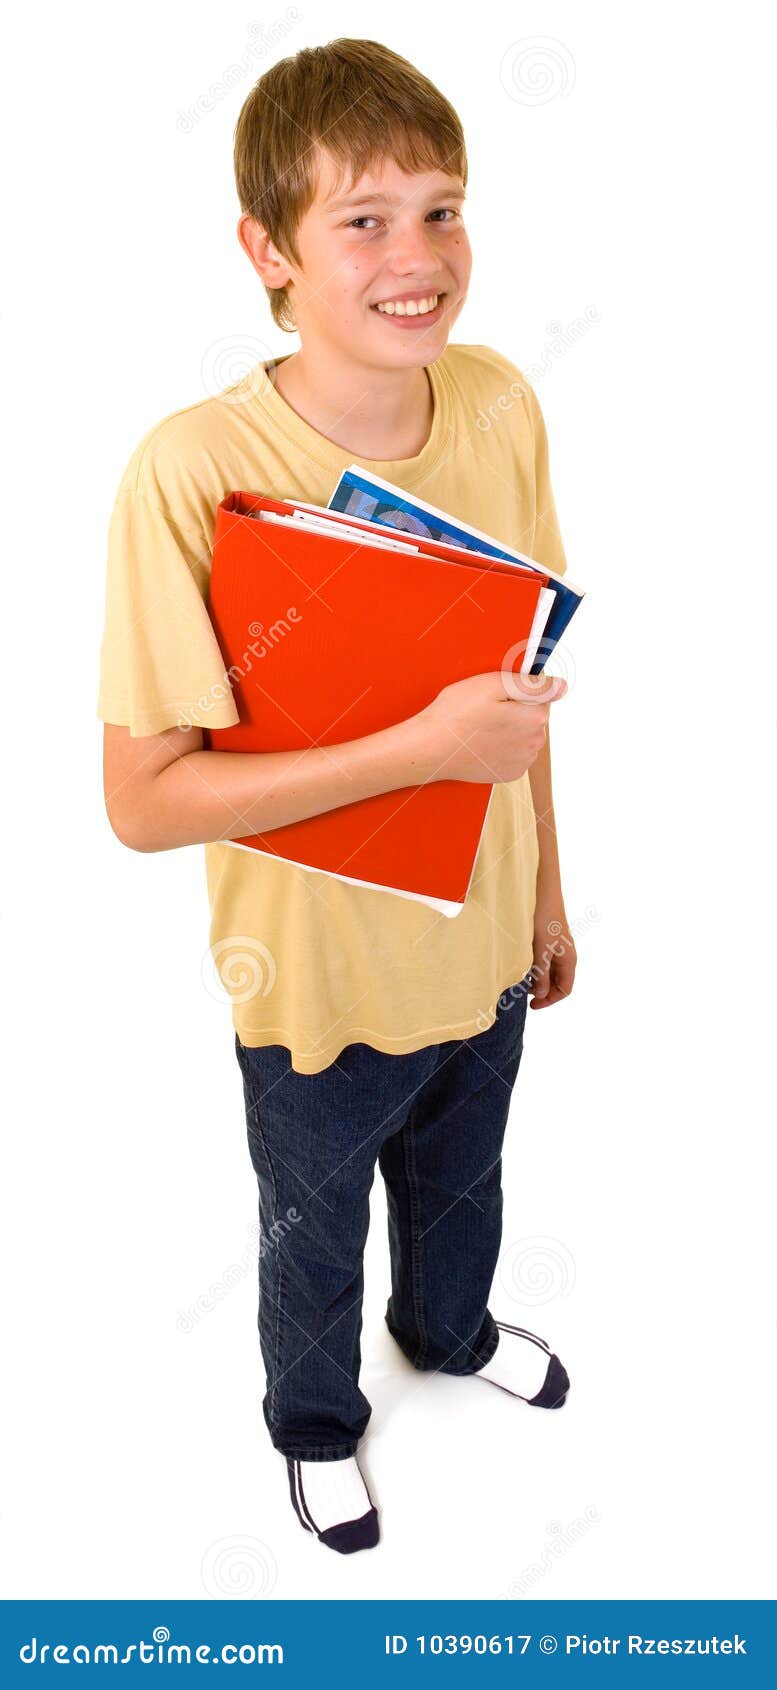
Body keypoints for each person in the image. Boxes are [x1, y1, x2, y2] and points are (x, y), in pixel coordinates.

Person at [98, 37, 577, 1557]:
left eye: (441, 210)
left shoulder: (497, 403)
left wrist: (545, 894)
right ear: (269, 251)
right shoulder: (192, 468)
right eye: (361, 220)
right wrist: (416, 752)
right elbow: (145, 802)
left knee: (466, 1174)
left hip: (482, 940)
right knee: (309, 1228)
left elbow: (516, 684)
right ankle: (315, 1424)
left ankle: (448, 1332)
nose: (417, 258)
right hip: (310, 976)